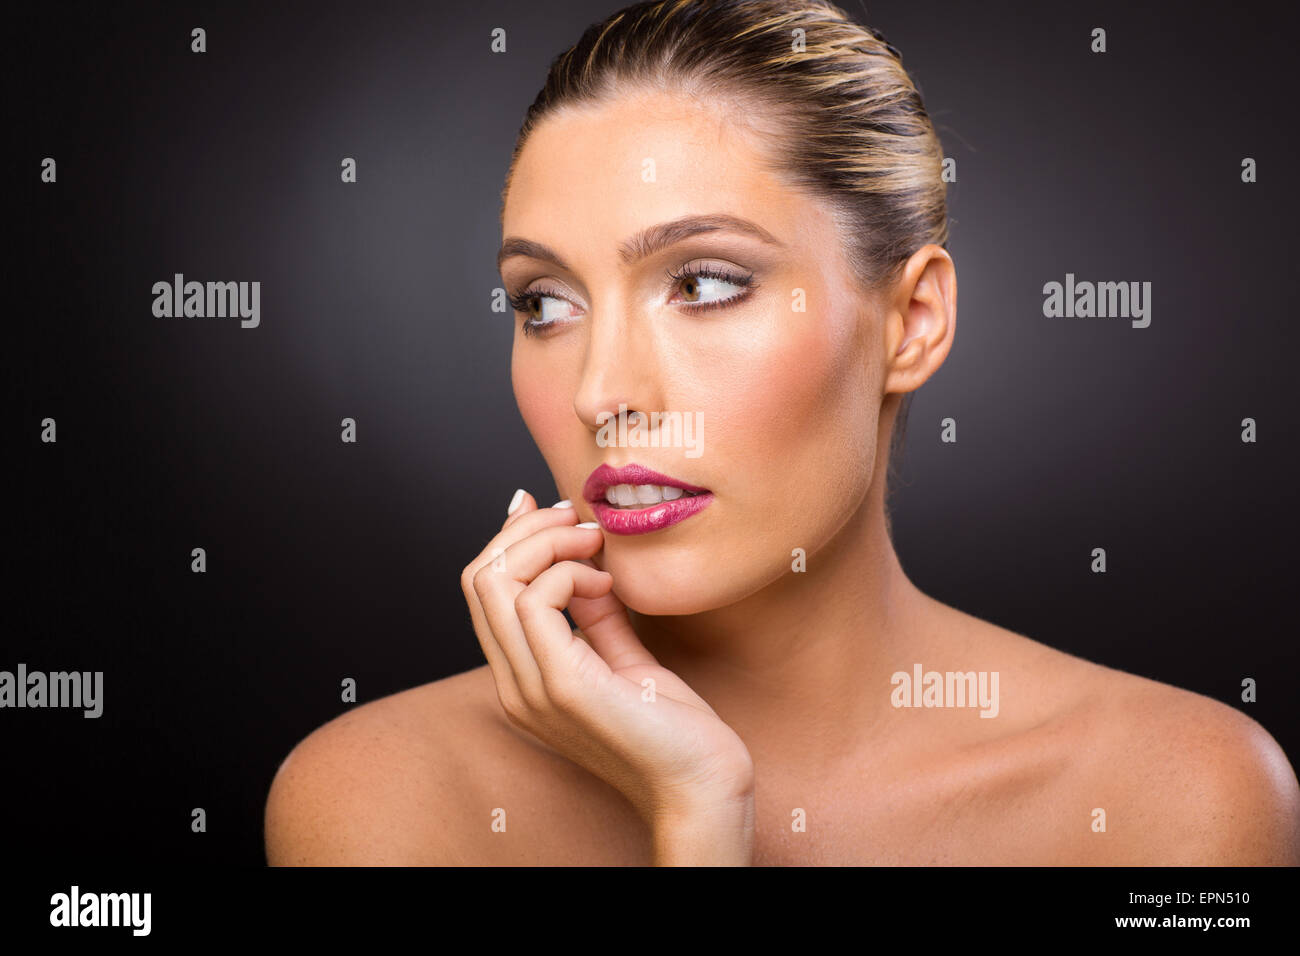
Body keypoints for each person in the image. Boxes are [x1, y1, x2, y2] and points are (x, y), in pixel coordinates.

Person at [265, 0, 1299, 865]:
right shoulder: (381, 802)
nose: (603, 393)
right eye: (545, 303)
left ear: (911, 323)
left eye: (705, 282)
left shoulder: (1180, 802)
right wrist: (698, 817)